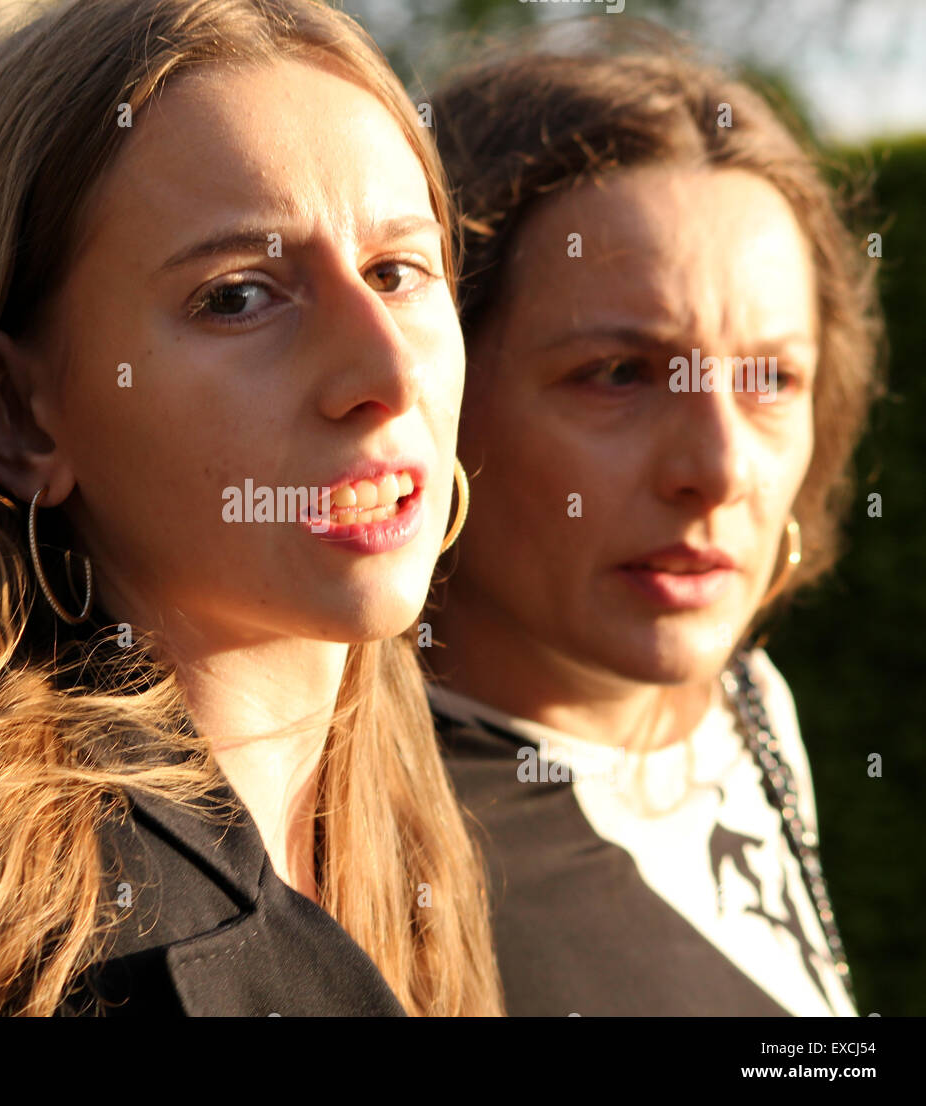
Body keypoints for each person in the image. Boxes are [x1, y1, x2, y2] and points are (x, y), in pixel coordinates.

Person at [0, 0, 501, 1017]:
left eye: (397, 270)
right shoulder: (74, 972)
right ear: (21, 415)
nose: (383, 368)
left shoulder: (427, 840)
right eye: (238, 295)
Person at [426, 22, 883, 1016]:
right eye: (619, 374)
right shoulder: (359, 836)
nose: (717, 468)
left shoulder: (748, 706)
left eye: (770, 378)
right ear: (437, 396)